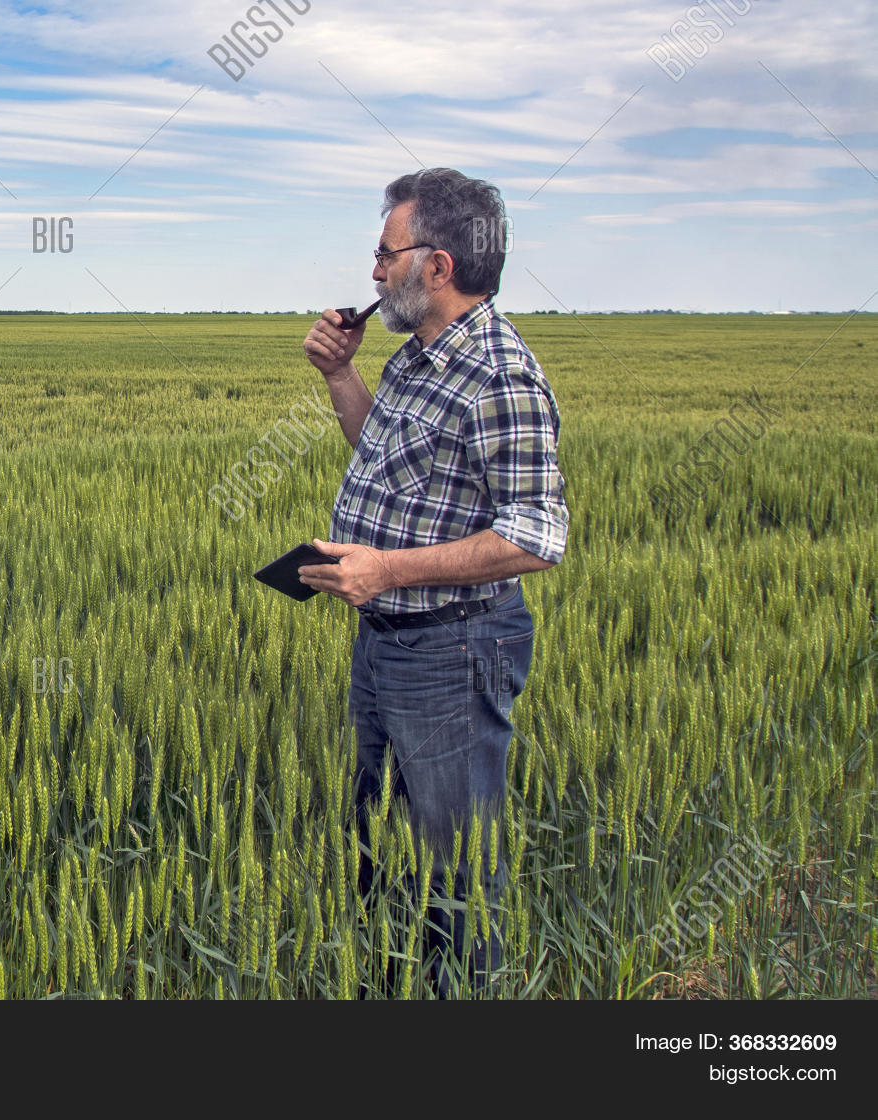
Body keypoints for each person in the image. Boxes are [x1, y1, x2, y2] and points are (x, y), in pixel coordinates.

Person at [299, 167, 568, 997]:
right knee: (379, 841)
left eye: (386, 253)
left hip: (454, 648)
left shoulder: (500, 374)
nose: (373, 271)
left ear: (438, 265)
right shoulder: (418, 357)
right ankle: (390, 986)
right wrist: (342, 377)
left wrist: (389, 569)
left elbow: (536, 534)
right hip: (384, 638)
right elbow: (380, 459)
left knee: (455, 869)